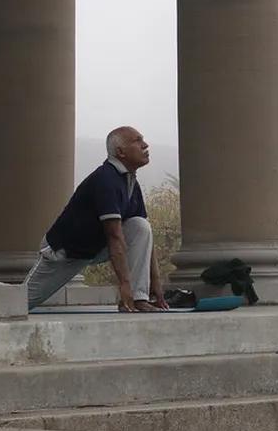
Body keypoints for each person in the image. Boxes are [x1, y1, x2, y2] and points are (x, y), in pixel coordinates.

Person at [23, 126, 169, 313]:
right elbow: (114, 235)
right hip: (65, 253)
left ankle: (139, 299)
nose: (145, 145)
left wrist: (155, 282)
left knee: (140, 225)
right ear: (120, 152)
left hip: (97, 248)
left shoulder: (130, 181)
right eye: (137, 141)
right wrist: (124, 285)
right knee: (18, 305)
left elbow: (144, 238)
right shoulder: (105, 179)